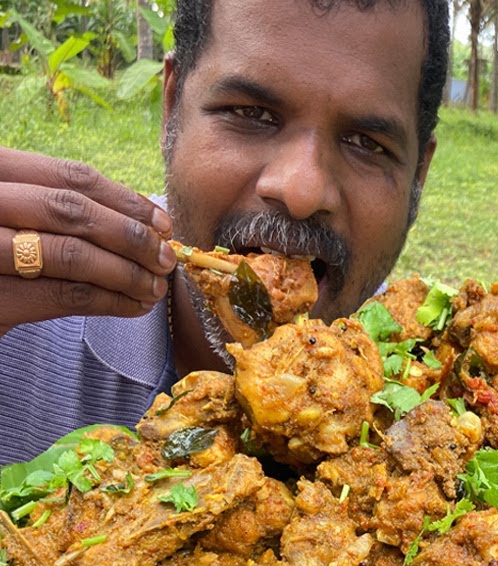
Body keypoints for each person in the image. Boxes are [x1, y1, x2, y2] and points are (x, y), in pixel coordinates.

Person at [0, 0, 450, 466]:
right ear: (172, 106)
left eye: (366, 143)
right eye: (252, 113)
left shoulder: (438, 382)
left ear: (418, 175)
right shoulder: (23, 315)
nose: (300, 190)